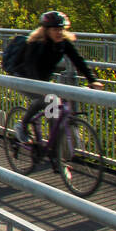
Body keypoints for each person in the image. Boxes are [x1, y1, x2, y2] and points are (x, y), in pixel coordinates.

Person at [17, 10, 104, 146]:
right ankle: (22, 125)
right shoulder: (36, 43)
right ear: (46, 30)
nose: (59, 33)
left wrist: (92, 80)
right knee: (43, 99)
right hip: (25, 78)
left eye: (61, 29)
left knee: (54, 109)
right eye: (55, 29)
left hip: (44, 81)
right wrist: (41, 87)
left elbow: (78, 60)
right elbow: (30, 66)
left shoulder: (63, 43)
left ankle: (53, 149)